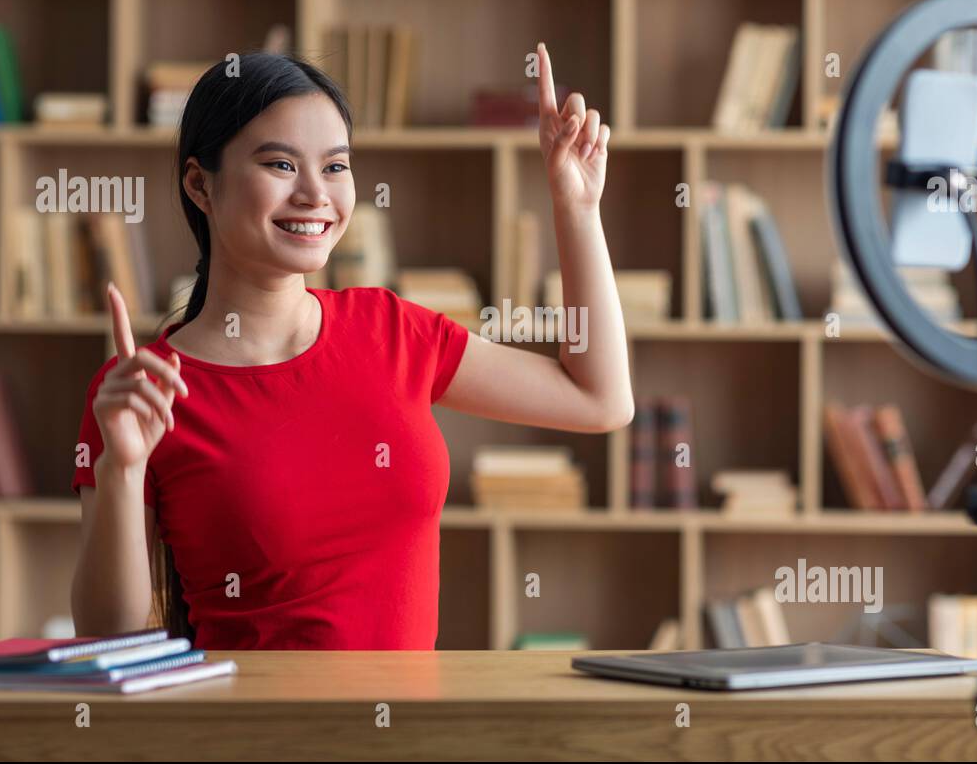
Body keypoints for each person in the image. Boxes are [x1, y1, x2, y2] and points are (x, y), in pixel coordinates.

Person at [70, 44, 633, 649]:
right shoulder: (139, 393)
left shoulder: (391, 329)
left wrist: (576, 208)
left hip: (403, 737)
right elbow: (109, 642)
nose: (316, 194)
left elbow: (597, 398)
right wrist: (123, 469)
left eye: (335, 166)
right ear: (199, 184)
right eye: (281, 165)